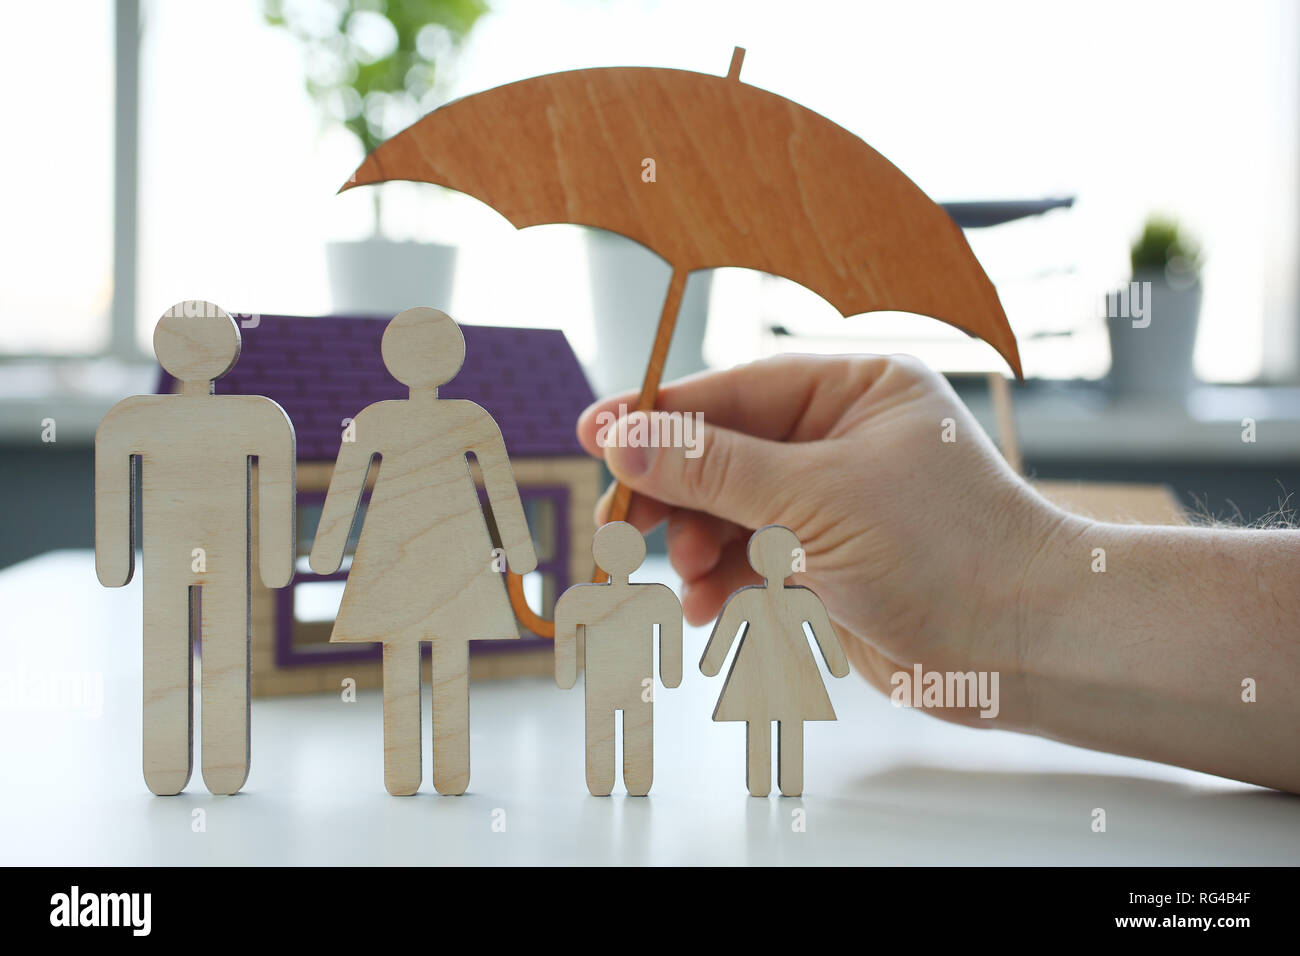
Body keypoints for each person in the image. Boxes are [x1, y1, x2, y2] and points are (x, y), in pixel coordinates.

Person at [576, 353, 1300, 794]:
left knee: (768, 744)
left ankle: (712, 775)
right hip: (741, 680)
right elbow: (714, 633)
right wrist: (1004, 606)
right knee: (747, 739)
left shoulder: (785, 590)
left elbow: (742, 637)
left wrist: (1011, 595)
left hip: (764, 679)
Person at [310, 307, 537, 796]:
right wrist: (327, 549)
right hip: (398, 552)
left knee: (439, 652)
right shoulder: (382, 420)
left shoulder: (466, 419)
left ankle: (445, 770)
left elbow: (499, 484)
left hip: (451, 552)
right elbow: (346, 483)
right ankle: (405, 772)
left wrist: (517, 549)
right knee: (405, 652)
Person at [95, 301, 296, 796]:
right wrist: (115, 560)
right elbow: (114, 487)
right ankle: (172, 766)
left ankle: (218, 766)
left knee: (218, 656)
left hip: (214, 558)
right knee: (175, 655)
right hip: (173, 557)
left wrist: (274, 558)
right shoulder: (138, 417)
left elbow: (275, 482)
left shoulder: (253, 416)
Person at [701, 524, 848, 797]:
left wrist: (711, 665)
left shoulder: (764, 600)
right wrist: (837, 666)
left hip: (770, 679)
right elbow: (829, 646)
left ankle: (768, 784)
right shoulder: (797, 600)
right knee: (779, 725)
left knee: (770, 724)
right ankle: (777, 783)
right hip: (783, 679)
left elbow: (722, 641)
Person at [554, 521, 682, 796]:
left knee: (632, 730)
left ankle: (627, 781)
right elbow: (565, 620)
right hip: (626, 686)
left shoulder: (588, 597)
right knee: (623, 729)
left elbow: (565, 620)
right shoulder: (653, 597)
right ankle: (616, 781)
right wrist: (670, 674)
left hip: (629, 685)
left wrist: (565, 674)